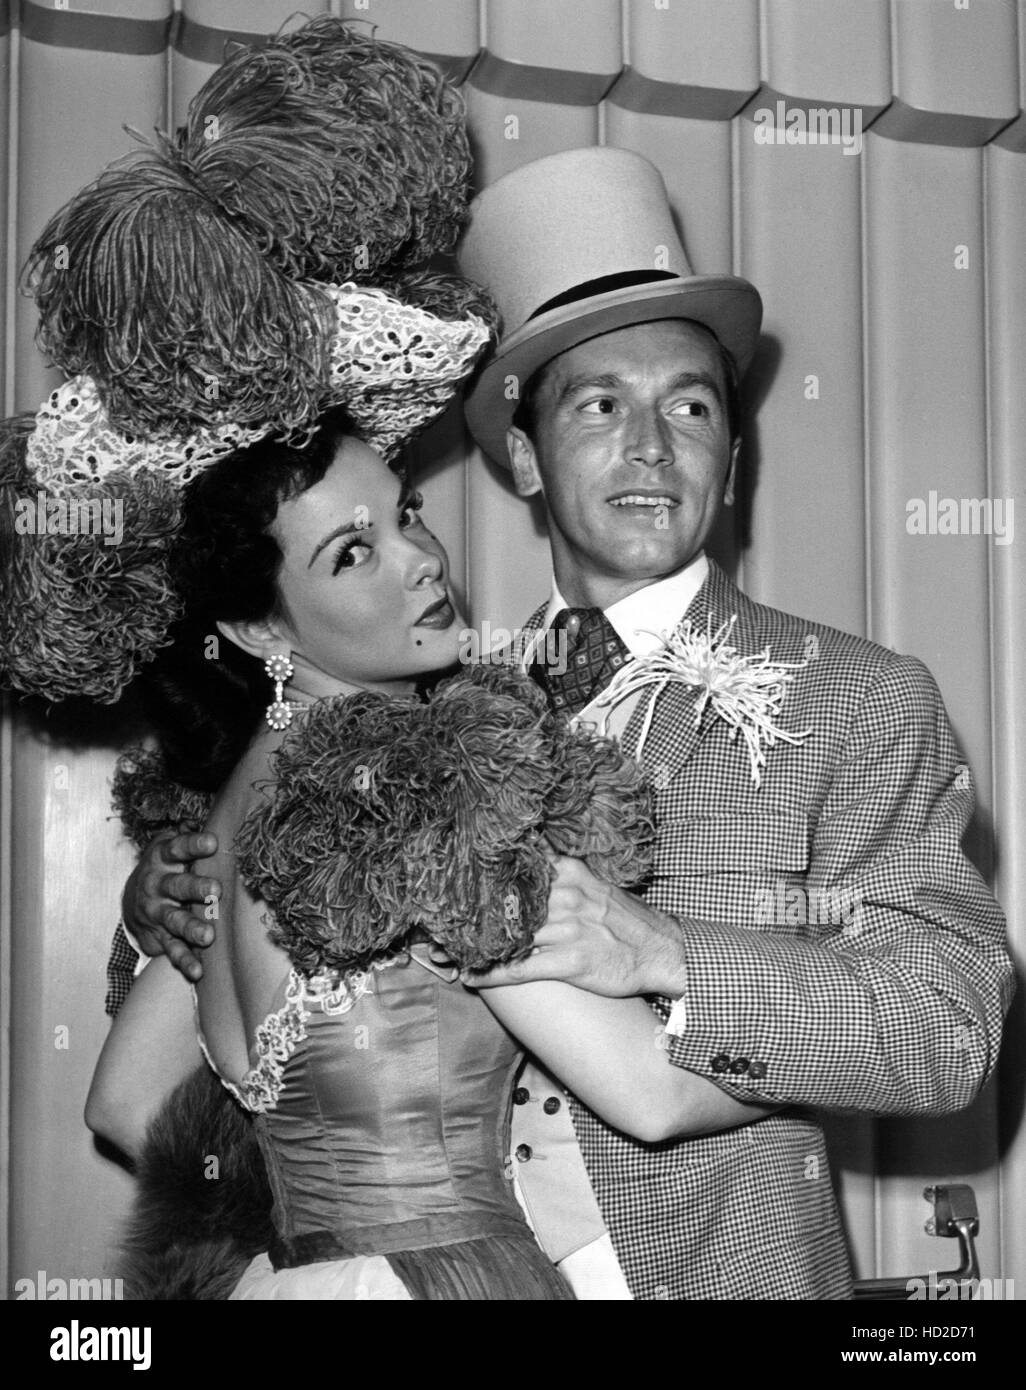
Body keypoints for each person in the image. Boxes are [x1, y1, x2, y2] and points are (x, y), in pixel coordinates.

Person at [132, 148, 1014, 1301]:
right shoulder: (405, 708)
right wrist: (154, 904)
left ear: (735, 459)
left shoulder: (858, 696)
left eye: (690, 405)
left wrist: (669, 952)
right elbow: (221, 1022)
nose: (652, 447)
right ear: (523, 455)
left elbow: (945, 1022)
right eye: (601, 403)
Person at [87, 407, 777, 1300]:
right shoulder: (418, 795)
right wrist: (839, 1048)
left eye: (406, 513)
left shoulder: (213, 833)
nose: (421, 558)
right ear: (260, 630)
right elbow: (652, 1093)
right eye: (352, 551)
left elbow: (126, 1104)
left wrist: (342, 1196)